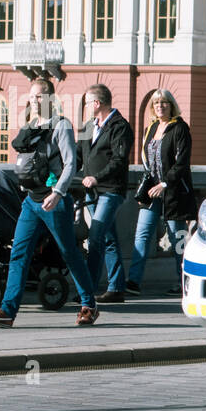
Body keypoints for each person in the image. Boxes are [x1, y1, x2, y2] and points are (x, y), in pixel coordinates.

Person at [0, 78, 99, 328]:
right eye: (32, 96)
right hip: (31, 202)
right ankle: (7, 313)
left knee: (69, 253)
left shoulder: (61, 126)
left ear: (51, 99)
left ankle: (89, 305)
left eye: (40, 96)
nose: (34, 101)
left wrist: (57, 193)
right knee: (19, 254)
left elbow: (70, 164)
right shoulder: (31, 125)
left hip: (54, 202)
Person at [127, 89, 197, 296]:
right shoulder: (152, 128)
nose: (160, 106)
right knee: (142, 234)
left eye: (164, 102)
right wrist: (147, 188)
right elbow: (148, 163)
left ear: (171, 105)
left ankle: (184, 281)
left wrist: (165, 184)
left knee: (178, 240)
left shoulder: (180, 128)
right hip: (152, 191)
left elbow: (182, 163)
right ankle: (133, 281)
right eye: (156, 103)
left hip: (174, 192)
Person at [80, 83, 133, 304]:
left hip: (110, 190)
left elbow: (118, 161)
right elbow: (75, 154)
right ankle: (116, 287)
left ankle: (87, 290)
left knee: (96, 237)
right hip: (91, 191)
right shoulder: (88, 126)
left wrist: (97, 177)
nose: (84, 106)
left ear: (97, 103)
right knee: (108, 238)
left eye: (86, 102)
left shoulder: (120, 127)